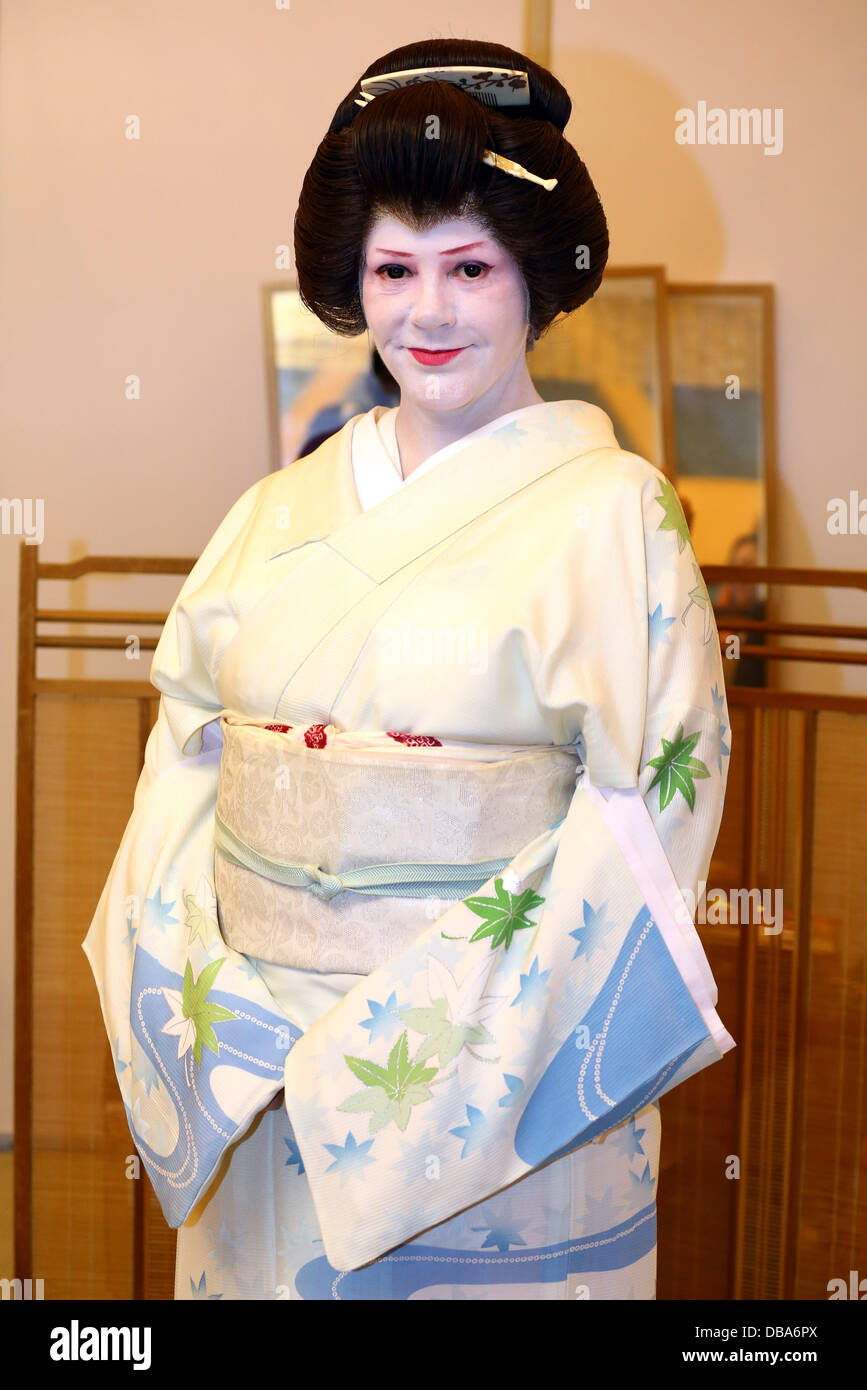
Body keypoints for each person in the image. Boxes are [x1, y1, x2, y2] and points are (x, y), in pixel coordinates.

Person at [83, 37, 734, 1301]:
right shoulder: (276, 510)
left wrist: (381, 1066)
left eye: (470, 268)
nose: (427, 312)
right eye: (394, 270)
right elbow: (184, 761)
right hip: (260, 1065)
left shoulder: (615, 513)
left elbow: (646, 821)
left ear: (534, 278)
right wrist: (228, 1025)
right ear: (354, 282)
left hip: (488, 1079)